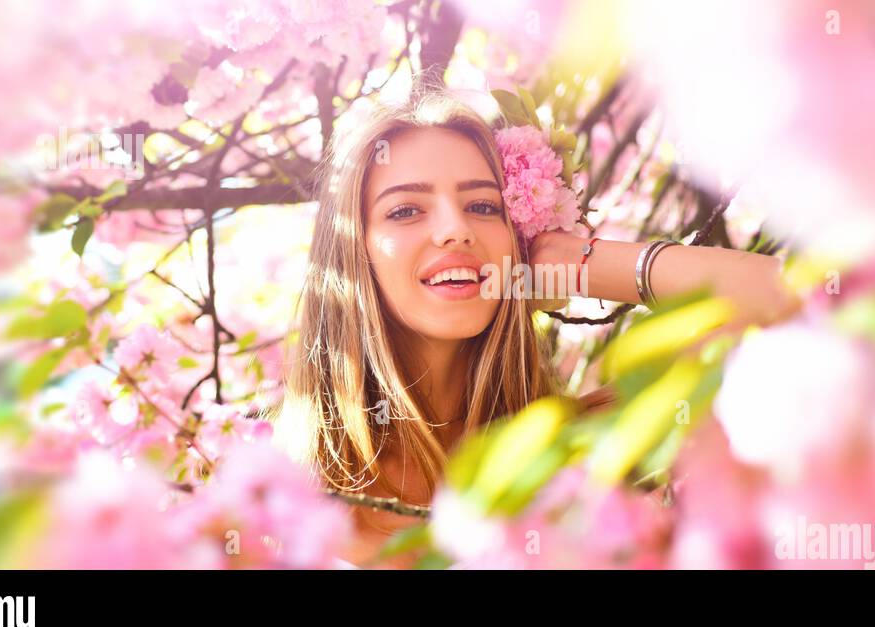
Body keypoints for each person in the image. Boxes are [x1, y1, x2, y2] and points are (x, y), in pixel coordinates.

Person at [272, 88, 800, 568]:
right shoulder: (286, 504)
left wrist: (577, 260)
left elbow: (800, 308)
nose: (456, 229)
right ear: (351, 251)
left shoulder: (586, 448)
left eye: (483, 206)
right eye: (406, 210)